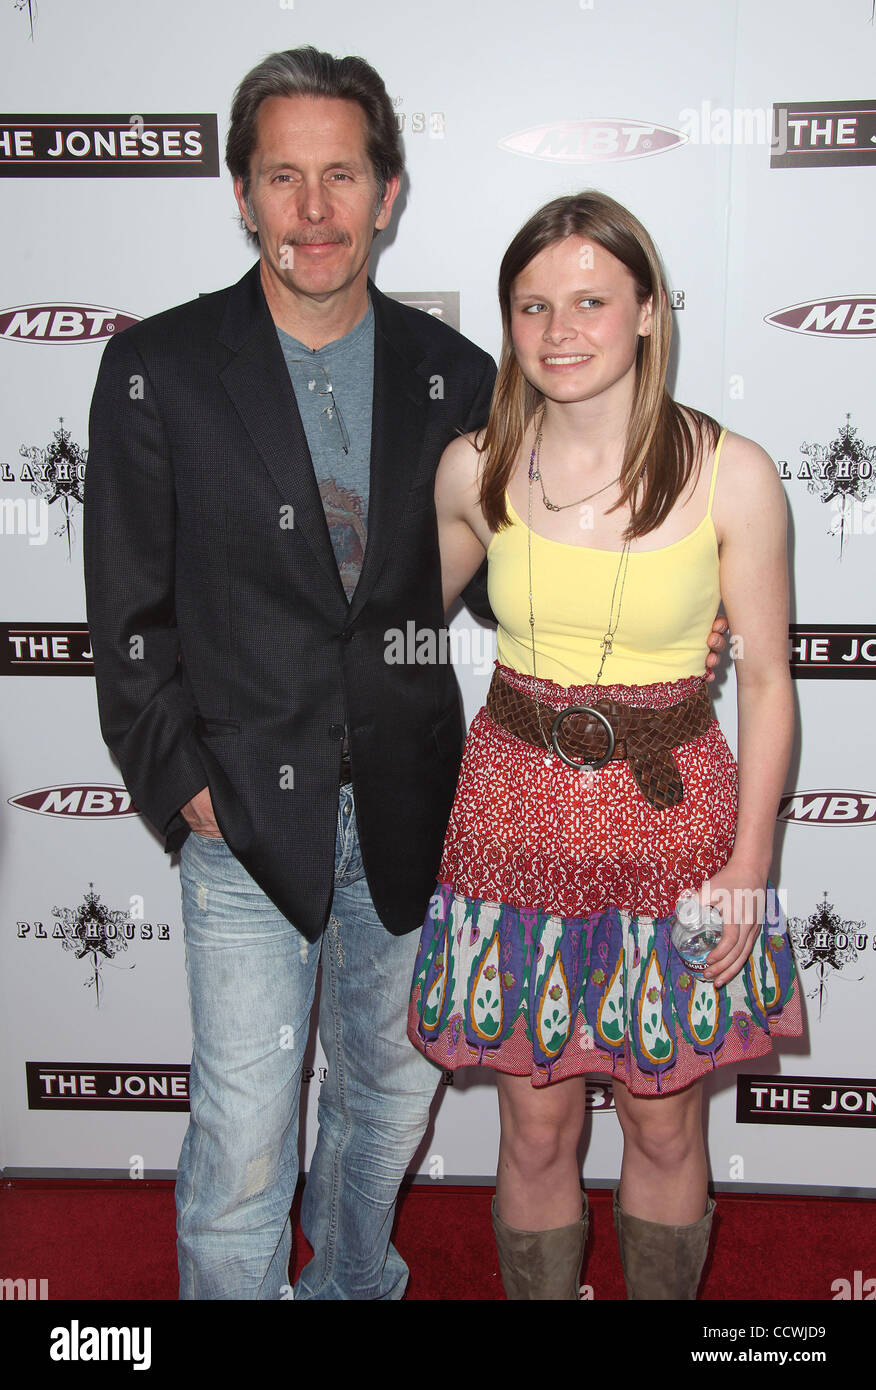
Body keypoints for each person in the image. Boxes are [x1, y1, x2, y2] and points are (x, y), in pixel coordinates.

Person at [84, 45, 729, 1300]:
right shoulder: (158, 369)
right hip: (242, 815)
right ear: (240, 194)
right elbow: (126, 617)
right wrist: (187, 793)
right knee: (246, 1134)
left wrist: (660, 619)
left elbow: (511, 577)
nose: (314, 210)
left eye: (342, 176)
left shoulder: (458, 376)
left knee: (384, 1108)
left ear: (389, 193)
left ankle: (348, 1287)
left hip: (417, 814)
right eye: (284, 178)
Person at [408, 191, 803, 1301]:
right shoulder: (474, 470)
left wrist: (750, 869)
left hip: (678, 831)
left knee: (663, 1121)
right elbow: (391, 637)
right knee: (534, 1127)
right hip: (509, 821)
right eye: (534, 305)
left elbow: (768, 680)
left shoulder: (736, 475)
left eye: (590, 299)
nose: (561, 329)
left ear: (646, 313)